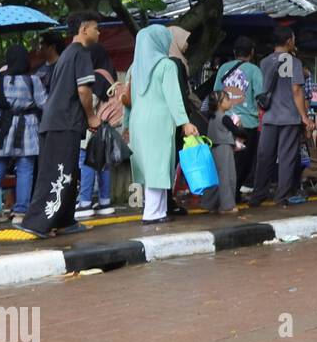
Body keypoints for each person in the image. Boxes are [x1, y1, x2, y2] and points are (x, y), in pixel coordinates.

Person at [21, 12, 102, 239]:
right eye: (96, 27)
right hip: (64, 122)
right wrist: (92, 116)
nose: (99, 32)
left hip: (56, 122)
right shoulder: (82, 54)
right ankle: (37, 223)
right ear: (84, 29)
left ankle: (66, 221)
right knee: (58, 173)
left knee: (69, 172)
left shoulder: (67, 54)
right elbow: (84, 91)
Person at [127, 26, 197, 224]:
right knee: (158, 165)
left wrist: (126, 124)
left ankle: (158, 210)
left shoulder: (135, 68)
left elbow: (129, 98)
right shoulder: (166, 65)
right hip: (158, 120)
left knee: (149, 167)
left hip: (137, 121)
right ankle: (152, 213)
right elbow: (173, 98)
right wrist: (185, 122)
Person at [0, 45, 46, 225]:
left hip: (1, 126)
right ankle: (20, 213)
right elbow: (43, 103)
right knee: (25, 170)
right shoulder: (33, 80)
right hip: (27, 125)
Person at [248, 27, 310, 208]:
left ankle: (257, 195)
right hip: (289, 116)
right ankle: (281, 196)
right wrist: (304, 116)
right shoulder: (293, 62)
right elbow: (296, 90)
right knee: (286, 157)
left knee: (265, 156)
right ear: (289, 41)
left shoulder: (264, 62)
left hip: (269, 116)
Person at [213, 36, 263, 195]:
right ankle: (232, 193)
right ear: (252, 52)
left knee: (225, 161)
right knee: (244, 163)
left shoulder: (223, 68)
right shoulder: (254, 70)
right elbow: (261, 96)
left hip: (224, 122)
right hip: (247, 125)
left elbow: (215, 94)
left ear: (234, 52)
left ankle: (226, 193)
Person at [76, 43, 120, 218]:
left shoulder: (95, 76)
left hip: (92, 128)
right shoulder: (110, 75)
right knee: (103, 164)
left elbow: (91, 102)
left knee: (86, 162)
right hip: (108, 128)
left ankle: (85, 202)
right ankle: (104, 201)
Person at [202, 91, 245, 214]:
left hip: (213, 149)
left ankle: (212, 205)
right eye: (227, 99)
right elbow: (238, 132)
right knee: (227, 176)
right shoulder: (225, 118)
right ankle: (227, 206)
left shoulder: (212, 117)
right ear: (220, 103)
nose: (229, 101)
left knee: (215, 177)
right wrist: (241, 128)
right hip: (224, 148)